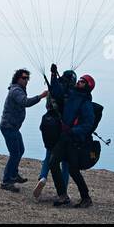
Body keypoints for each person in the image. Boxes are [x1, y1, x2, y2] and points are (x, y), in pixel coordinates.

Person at [51, 73, 96, 208]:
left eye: (82, 81)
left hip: (74, 140)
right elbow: (56, 91)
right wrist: (53, 75)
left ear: (87, 86)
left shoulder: (85, 103)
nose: (79, 82)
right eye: (80, 80)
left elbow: (89, 124)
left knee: (73, 170)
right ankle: (63, 196)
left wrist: (73, 131)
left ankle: (86, 198)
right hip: (64, 137)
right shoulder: (71, 93)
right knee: (53, 163)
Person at [0, 69, 46, 192]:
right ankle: (6, 181)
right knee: (15, 153)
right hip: (9, 127)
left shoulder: (18, 90)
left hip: (13, 127)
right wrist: (41, 96)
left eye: (27, 78)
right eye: (23, 78)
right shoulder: (16, 91)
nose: (26, 81)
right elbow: (26, 102)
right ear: (17, 78)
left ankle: (13, 175)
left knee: (20, 150)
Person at [33, 65, 72, 200]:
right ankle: (63, 189)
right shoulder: (70, 94)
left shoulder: (52, 91)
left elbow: (52, 96)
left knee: (48, 156)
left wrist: (53, 75)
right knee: (65, 162)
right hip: (61, 131)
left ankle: (43, 177)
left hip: (48, 126)